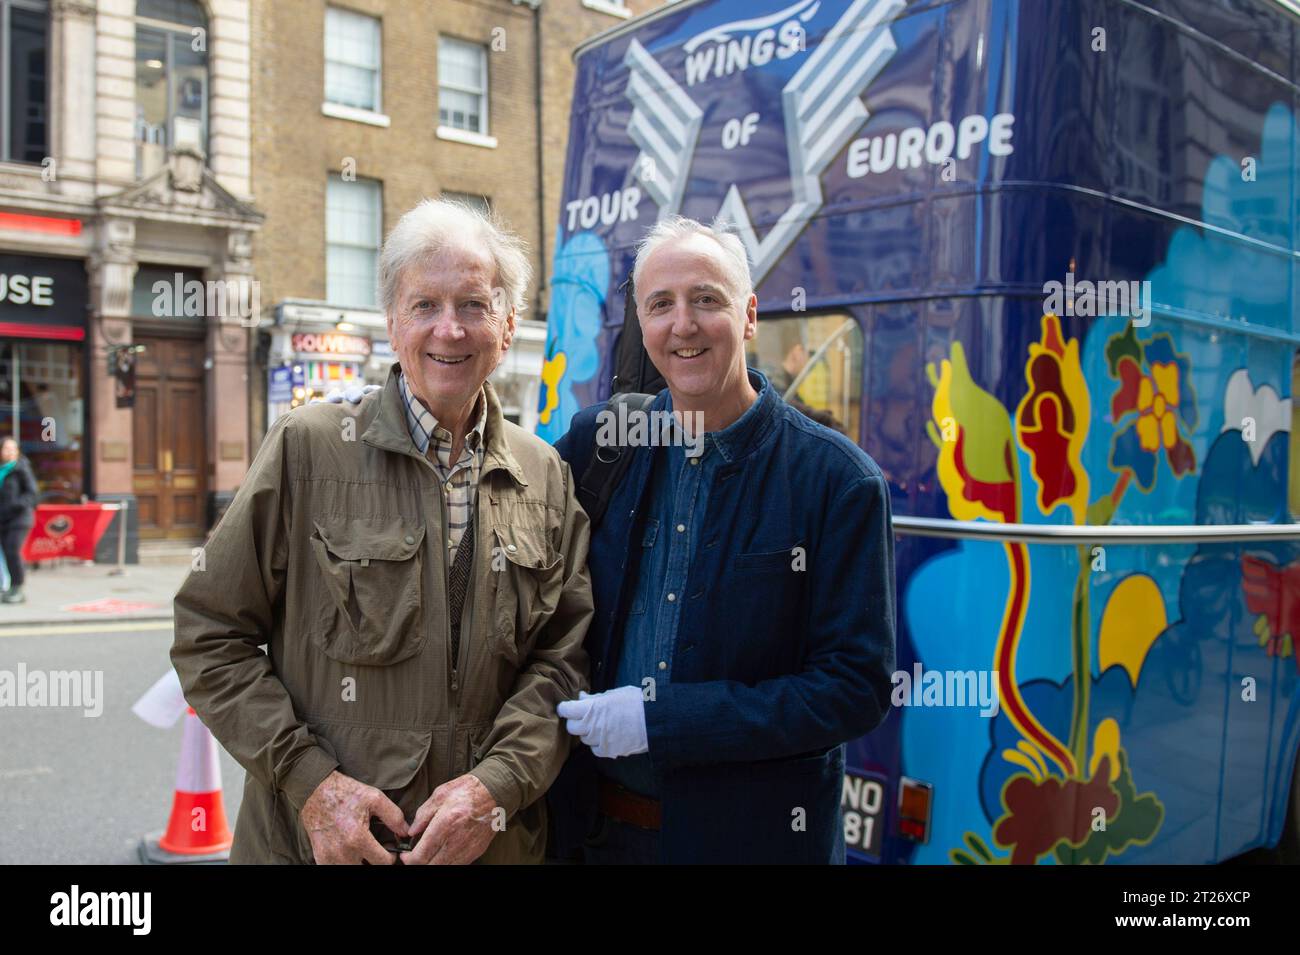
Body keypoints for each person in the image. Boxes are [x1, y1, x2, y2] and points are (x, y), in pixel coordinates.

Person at [172, 199, 593, 864]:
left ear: (508, 326)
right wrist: (311, 784)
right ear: (393, 324)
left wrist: (496, 787)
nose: (449, 329)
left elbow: (562, 662)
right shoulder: (307, 448)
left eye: (474, 305)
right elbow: (208, 634)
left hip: (490, 847)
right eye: (425, 305)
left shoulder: (545, 474)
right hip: (316, 850)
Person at [548, 215, 897, 864]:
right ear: (642, 323)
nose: (683, 324)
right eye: (660, 304)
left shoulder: (838, 481)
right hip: (593, 838)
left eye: (706, 299)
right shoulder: (598, 444)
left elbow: (855, 688)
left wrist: (662, 720)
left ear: (749, 316)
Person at [0, 437, 36, 604]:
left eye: (13, 449)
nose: (10, 452)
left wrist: (16, 505)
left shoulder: (21, 468)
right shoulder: (2, 470)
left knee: (13, 550)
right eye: (6, 449)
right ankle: (10, 586)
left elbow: (32, 493)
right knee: (6, 553)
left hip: (19, 518)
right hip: (3, 518)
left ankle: (18, 588)